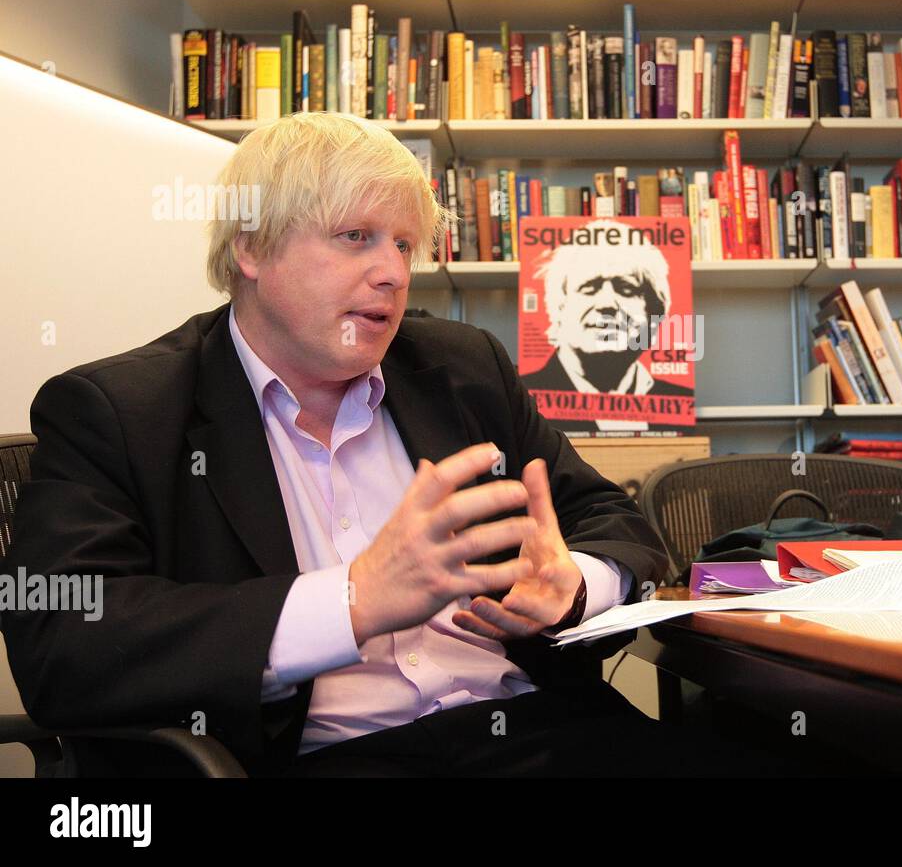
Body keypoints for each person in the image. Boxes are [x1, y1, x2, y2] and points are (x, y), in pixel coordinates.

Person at [2, 113, 742, 777]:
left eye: (404, 244)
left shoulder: (461, 369)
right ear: (252, 245)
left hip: (546, 730)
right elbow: (63, 640)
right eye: (355, 236)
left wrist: (574, 583)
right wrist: (351, 600)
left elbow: (618, 525)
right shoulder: (119, 411)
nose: (391, 271)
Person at [519, 219, 692, 434]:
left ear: (653, 312)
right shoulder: (524, 400)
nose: (607, 304)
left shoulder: (678, 402)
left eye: (627, 289)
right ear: (559, 306)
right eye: (589, 288)